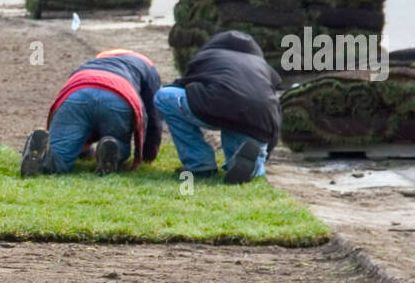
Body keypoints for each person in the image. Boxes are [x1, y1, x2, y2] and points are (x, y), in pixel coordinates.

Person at [153, 31, 281, 185]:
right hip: (259, 117)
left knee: (164, 96)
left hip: (218, 105)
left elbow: (185, 83)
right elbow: (275, 111)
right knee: (243, 144)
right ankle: (255, 167)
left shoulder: (207, 57)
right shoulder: (264, 67)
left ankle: (200, 164)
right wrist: (267, 149)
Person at [20, 48, 163, 177]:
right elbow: (153, 114)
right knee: (120, 144)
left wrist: (82, 150)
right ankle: (111, 148)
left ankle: (43, 157)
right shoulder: (147, 66)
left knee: (60, 154)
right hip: (119, 96)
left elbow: (81, 125)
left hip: (78, 92)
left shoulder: (92, 63)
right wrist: (148, 155)